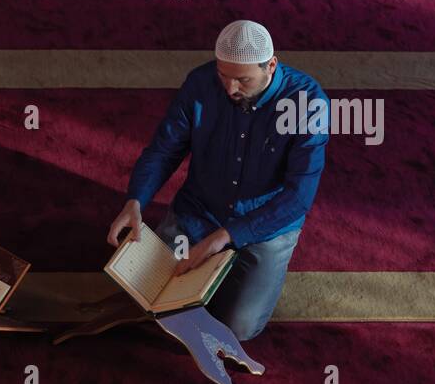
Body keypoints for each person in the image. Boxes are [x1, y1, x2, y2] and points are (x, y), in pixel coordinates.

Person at [106, 20, 329, 341]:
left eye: (243, 79)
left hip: (264, 227)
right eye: (223, 75)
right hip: (198, 210)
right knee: (145, 293)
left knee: (237, 327)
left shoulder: (307, 104)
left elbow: (297, 198)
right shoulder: (200, 83)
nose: (230, 88)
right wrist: (136, 199)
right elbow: (164, 149)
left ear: (271, 65)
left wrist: (226, 235)